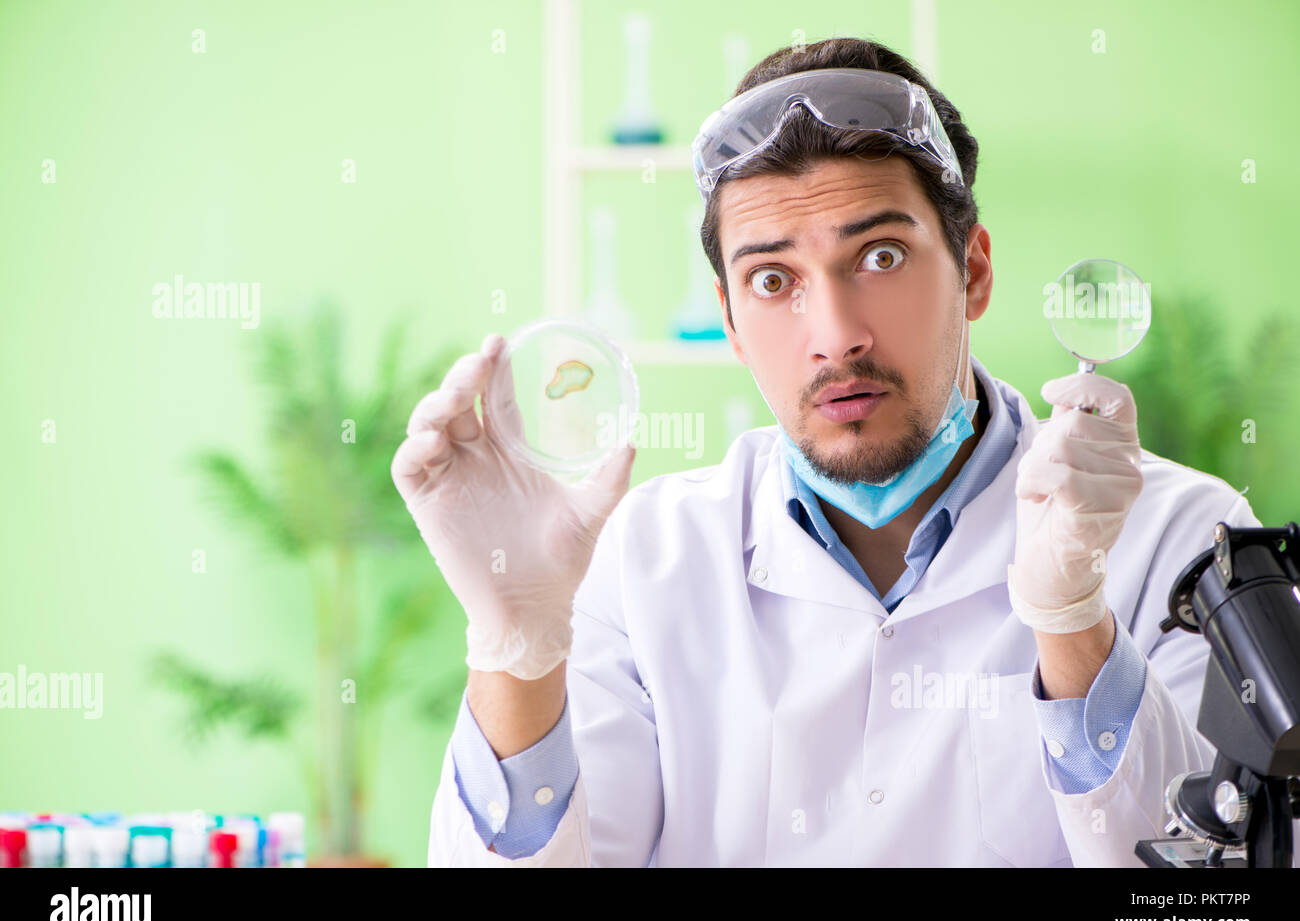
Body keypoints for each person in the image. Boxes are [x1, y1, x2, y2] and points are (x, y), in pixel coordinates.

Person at [392, 37, 1272, 866]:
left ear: (973, 270)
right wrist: (513, 648)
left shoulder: (1187, 539)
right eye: (773, 281)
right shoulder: (641, 559)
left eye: (880, 255)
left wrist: (1076, 619)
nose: (836, 335)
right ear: (731, 320)